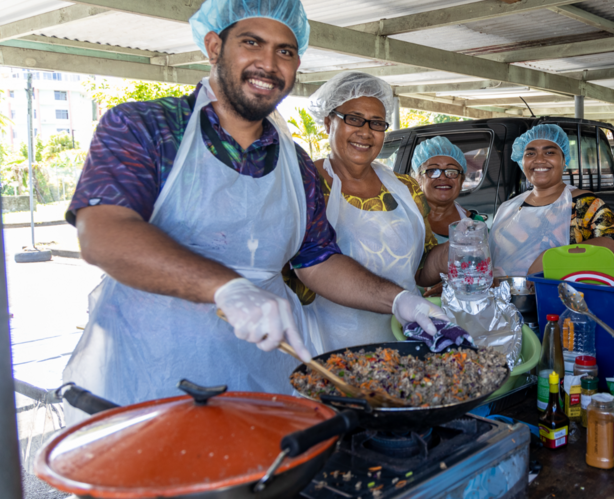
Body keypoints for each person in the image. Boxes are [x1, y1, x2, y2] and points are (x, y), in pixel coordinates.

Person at [62, 0, 444, 420]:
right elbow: (102, 233)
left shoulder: (294, 164)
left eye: (285, 51)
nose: (269, 63)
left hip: (264, 375)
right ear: (213, 46)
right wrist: (228, 287)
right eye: (251, 42)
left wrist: (402, 301)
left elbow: (317, 261)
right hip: (149, 372)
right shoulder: (145, 127)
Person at [291, 71, 448, 352]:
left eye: (376, 123)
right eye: (353, 118)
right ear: (328, 122)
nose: (365, 131)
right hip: (327, 345)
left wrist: (450, 255)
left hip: (403, 340)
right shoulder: (306, 185)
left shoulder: (406, 188)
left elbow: (420, 271)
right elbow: (301, 272)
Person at [489, 124, 614, 277]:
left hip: (561, 296)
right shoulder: (508, 207)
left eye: (549, 152)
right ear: (522, 160)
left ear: (564, 159)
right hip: (506, 296)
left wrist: (555, 257)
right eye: (530, 153)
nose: (539, 160)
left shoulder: (585, 204)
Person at [411, 136, 483, 244]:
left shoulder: (476, 225)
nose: (443, 177)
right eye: (433, 170)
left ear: (461, 180)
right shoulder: (405, 219)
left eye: (452, 171)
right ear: (418, 180)